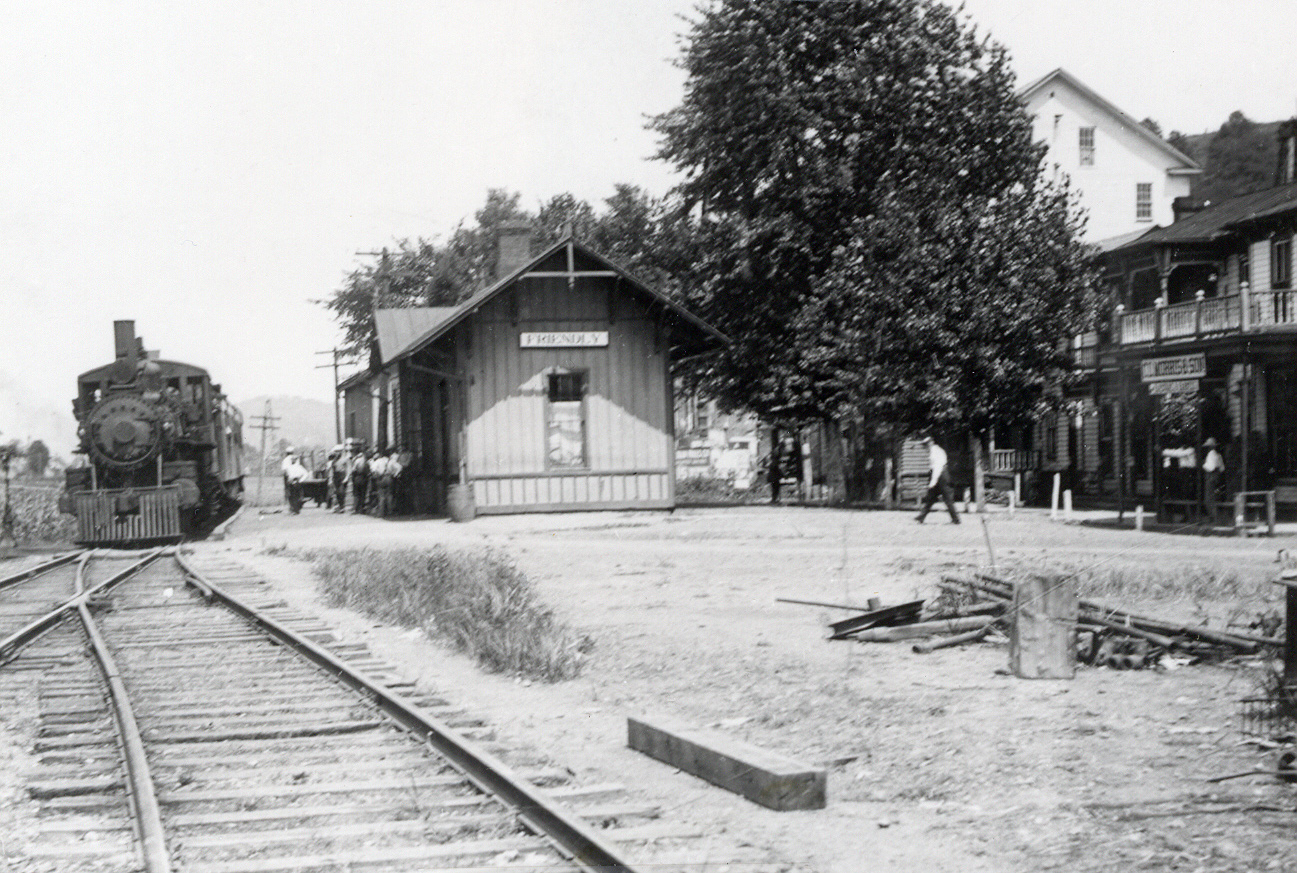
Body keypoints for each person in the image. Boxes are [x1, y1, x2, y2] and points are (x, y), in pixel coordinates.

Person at [915, 435, 960, 524]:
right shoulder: (934, 450)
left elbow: (938, 467)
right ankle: (921, 517)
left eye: (926, 444)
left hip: (941, 476)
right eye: (924, 445)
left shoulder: (935, 452)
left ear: (931, 443)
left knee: (948, 499)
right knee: (931, 498)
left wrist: (933, 481)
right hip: (939, 475)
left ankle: (956, 519)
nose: (925, 447)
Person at [1202, 437, 1225, 524]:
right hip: (1216, 478)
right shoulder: (1218, 455)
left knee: (1208, 499)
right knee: (1214, 497)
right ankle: (1215, 517)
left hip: (1210, 477)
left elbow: (1210, 467)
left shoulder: (1210, 454)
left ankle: (1213, 517)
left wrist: (1204, 465)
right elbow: (1222, 468)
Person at [281, 450, 309, 515]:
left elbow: (306, 474)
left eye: (294, 460)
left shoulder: (299, 467)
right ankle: (293, 509)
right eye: (292, 460)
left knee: (296, 496)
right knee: (291, 496)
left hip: (297, 482)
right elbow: (287, 474)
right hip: (291, 482)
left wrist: (301, 480)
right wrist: (289, 480)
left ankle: (296, 510)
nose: (292, 461)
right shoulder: (289, 467)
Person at [349, 447, 370, 515]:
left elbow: (353, 470)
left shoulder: (356, 460)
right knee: (363, 493)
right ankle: (362, 508)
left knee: (357, 493)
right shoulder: (365, 459)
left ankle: (356, 508)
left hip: (357, 477)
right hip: (364, 478)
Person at [326, 447, 347, 513]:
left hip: (342, 476)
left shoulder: (345, 460)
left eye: (338, 452)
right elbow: (331, 471)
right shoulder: (333, 461)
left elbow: (348, 469)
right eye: (336, 452)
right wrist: (330, 479)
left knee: (342, 492)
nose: (337, 453)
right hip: (336, 477)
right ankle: (340, 506)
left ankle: (342, 506)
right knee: (337, 492)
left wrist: (346, 477)